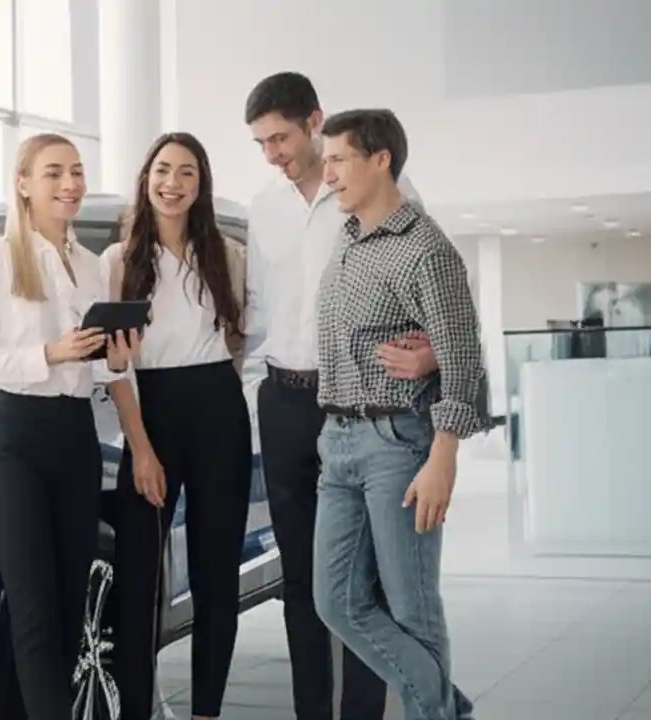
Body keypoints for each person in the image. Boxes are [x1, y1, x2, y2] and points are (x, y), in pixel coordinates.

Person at [243, 71, 438, 720]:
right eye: (261, 143)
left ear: (315, 122)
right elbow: (257, 313)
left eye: (280, 137)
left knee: (362, 581)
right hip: (282, 401)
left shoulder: (376, 190)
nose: (272, 153)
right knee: (300, 578)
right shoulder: (263, 210)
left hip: (357, 403)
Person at [0, 132, 138, 719]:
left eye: (77, 172)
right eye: (55, 172)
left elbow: (107, 368)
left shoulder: (90, 265)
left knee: (70, 603)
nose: (70, 184)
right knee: (33, 607)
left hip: (74, 438)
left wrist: (115, 356)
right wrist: (50, 353)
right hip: (14, 440)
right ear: (24, 184)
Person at [313, 108, 480, 720]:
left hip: (399, 443)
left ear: (380, 159)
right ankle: (445, 708)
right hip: (339, 441)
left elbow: (463, 358)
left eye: (337, 159)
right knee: (335, 600)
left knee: (412, 608)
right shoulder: (348, 236)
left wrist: (443, 456)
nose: (326, 171)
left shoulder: (426, 248)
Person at [101, 132, 251, 720]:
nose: (173, 183)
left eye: (187, 172)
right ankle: (136, 709)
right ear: (146, 179)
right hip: (151, 412)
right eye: (163, 170)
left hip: (219, 410)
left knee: (217, 578)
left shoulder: (226, 256)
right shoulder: (119, 262)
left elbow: (238, 345)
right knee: (138, 579)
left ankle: (206, 711)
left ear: (201, 185)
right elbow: (112, 367)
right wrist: (140, 448)